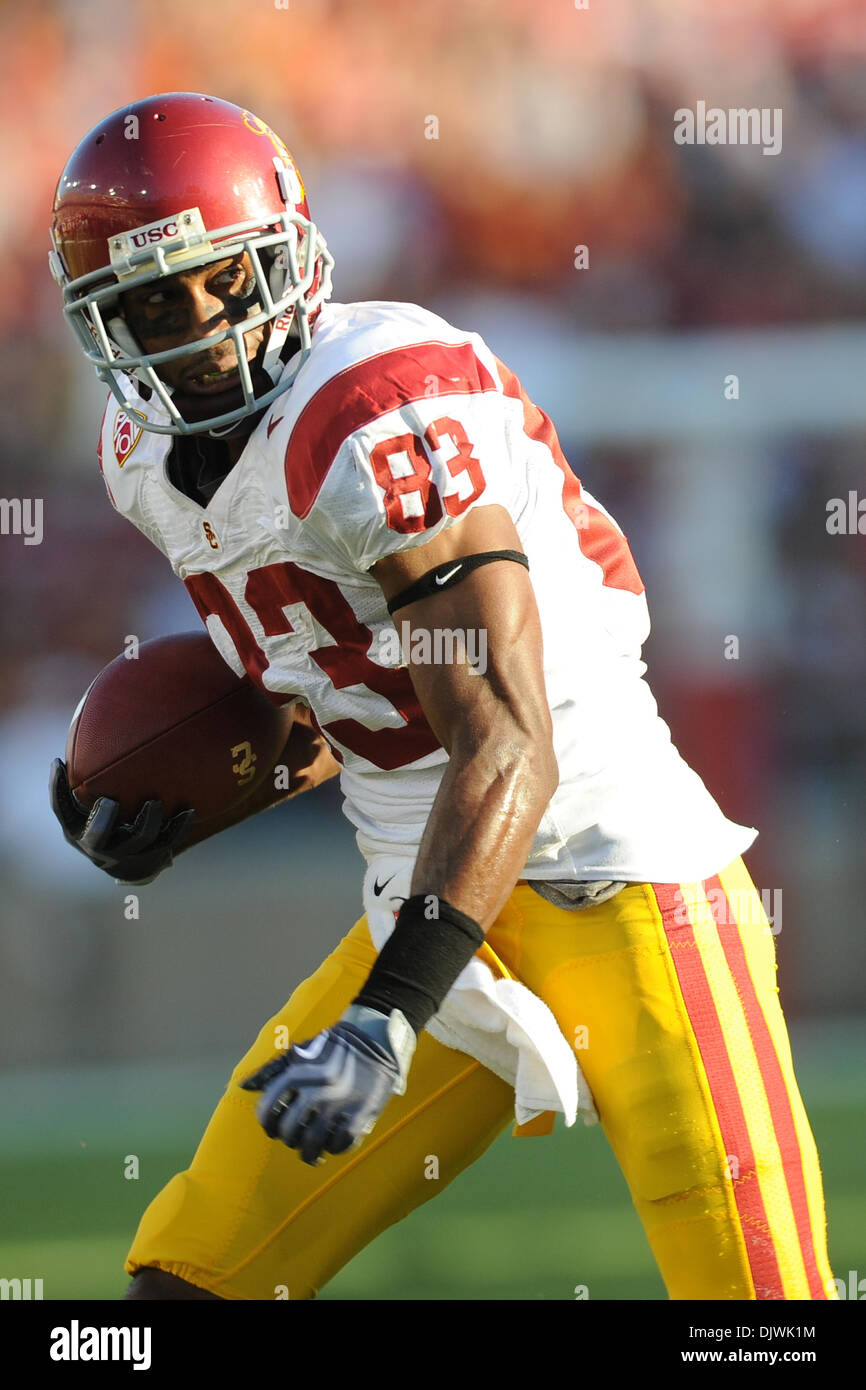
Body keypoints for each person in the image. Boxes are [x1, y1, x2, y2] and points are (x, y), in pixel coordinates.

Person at [48, 92, 836, 1301]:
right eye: (153, 301)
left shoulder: (375, 410)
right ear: (102, 322)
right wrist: (196, 789)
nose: (200, 328)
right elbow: (352, 697)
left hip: (618, 879)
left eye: (224, 279)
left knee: (762, 1316)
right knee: (179, 1290)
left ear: (294, 254)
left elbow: (505, 736)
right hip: (427, 892)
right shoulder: (140, 460)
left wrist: (382, 1016)